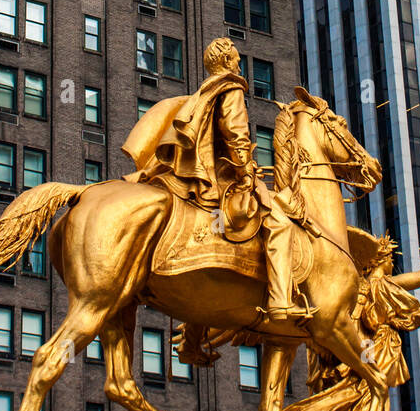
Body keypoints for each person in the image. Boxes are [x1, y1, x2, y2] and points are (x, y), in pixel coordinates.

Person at [122, 36, 312, 322]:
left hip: (198, 173)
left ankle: (196, 332)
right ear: (226, 61)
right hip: (221, 176)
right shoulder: (231, 87)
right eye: (235, 55)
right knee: (279, 222)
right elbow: (236, 133)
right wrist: (246, 171)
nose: (239, 60)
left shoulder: (206, 89)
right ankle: (280, 299)